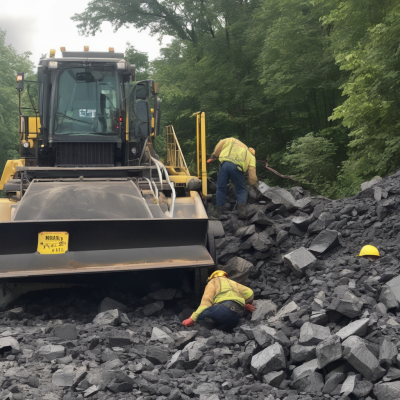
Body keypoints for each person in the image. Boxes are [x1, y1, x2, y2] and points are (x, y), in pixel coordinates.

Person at [182, 270, 255, 332]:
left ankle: (206, 333)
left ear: (212, 277)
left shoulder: (213, 282)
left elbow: (206, 304)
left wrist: (192, 318)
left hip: (224, 308)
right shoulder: (232, 282)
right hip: (238, 313)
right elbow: (249, 292)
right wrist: (245, 304)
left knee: (201, 315)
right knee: (225, 329)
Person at [207, 138, 257, 219]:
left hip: (225, 165)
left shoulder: (233, 141)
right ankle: (241, 211)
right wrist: (253, 185)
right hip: (237, 169)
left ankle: (219, 211)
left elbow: (221, 143)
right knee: (241, 189)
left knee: (220, 187)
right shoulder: (251, 156)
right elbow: (252, 175)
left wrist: (214, 155)